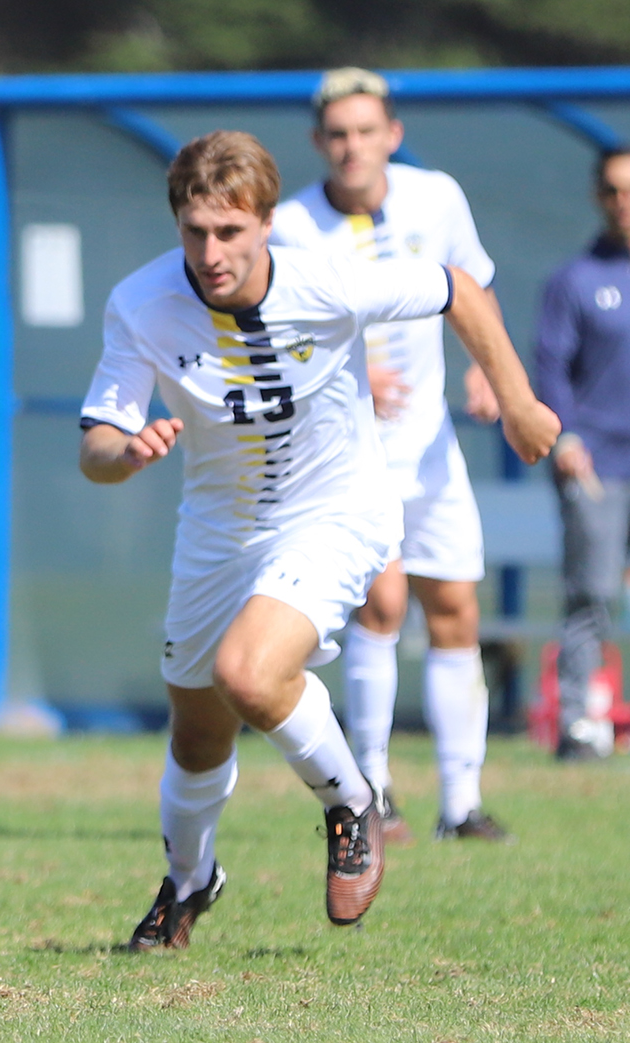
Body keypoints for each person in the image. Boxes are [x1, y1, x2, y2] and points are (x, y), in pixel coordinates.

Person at [78, 131, 558, 950]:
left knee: (250, 673)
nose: (210, 251)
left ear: (266, 222)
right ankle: (189, 884)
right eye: (194, 231)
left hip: (337, 509)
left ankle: (352, 801)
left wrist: (515, 400)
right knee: (197, 729)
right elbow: (95, 448)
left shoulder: (325, 275)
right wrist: (127, 452)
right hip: (218, 527)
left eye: (229, 232)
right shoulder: (141, 302)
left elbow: (459, 291)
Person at [270, 67, 511, 842]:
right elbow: (274, 334)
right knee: (382, 608)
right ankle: (374, 788)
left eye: (366, 132)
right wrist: (342, 366)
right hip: (352, 456)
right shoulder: (292, 225)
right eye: (338, 135)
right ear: (319, 142)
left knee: (456, 611)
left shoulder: (435, 196)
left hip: (432, 446)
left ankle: (461, 803)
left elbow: (472, 286)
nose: (353, 147)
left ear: (392, 136)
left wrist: (488, 368)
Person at [536, 147, 630, 762]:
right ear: (599, 198)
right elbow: (550, 367)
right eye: (615, 191)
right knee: (591, 594)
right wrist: (564, 437)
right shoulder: (575, 281)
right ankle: (578, 724)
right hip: (599, 462)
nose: (625, 203)